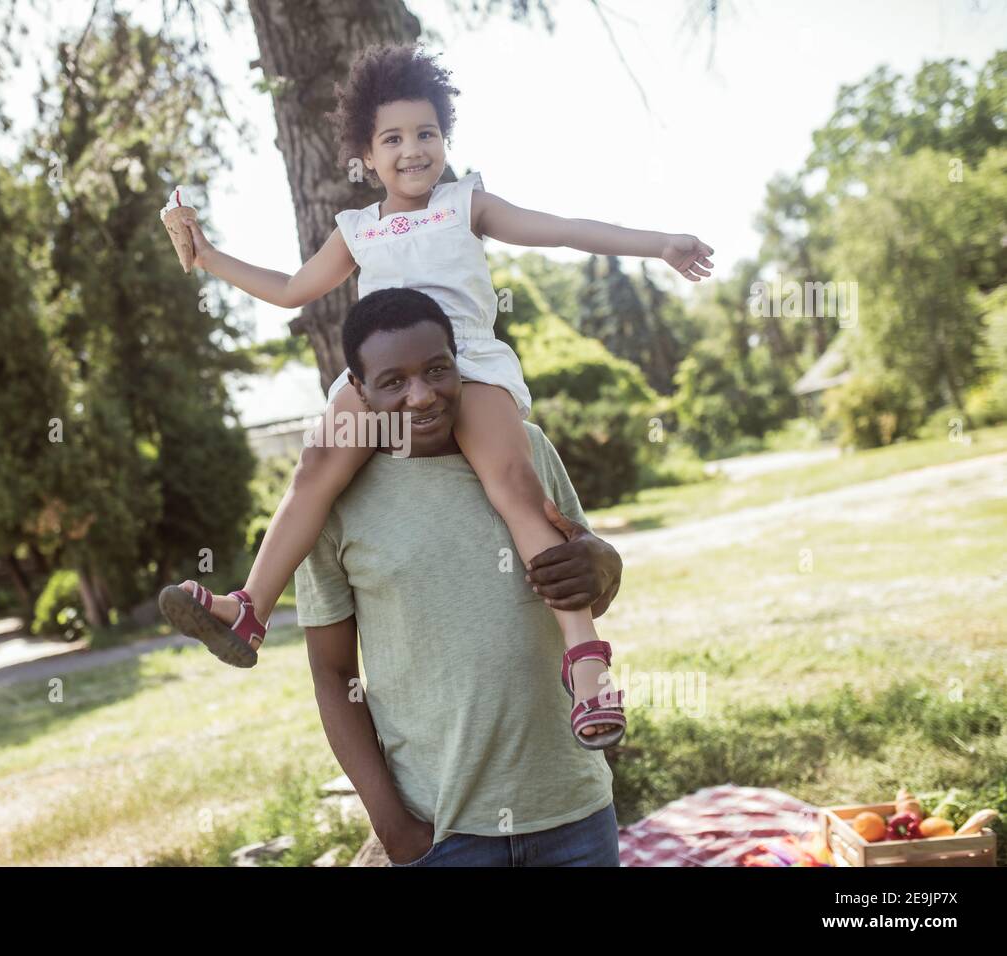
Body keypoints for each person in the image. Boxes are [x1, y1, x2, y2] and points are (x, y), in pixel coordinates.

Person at [159, 41, 713, 748]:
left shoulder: (464, 204)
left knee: (515, 485)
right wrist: (207, 256)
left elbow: (565, 230)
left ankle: (587, 667)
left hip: (464, 363)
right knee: (315, 469)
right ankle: (248, 609)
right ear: (366, 151)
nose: (413, 149)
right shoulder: (357, 229)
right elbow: (292, 290)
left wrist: (659, 242)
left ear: (444, 137)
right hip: (382, 380)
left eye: (427, 133)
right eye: (393, 138)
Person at [297, 287, 624, 866]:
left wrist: (605, 563)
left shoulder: (525, 450)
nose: (421, 396)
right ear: (359, 390)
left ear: (459, 364)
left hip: (573, 810)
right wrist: (392, 824)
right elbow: (333, 671)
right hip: (444, 830)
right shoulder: (331, 504)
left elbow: (588, 592)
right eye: (393, 381)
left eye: (436, 370)